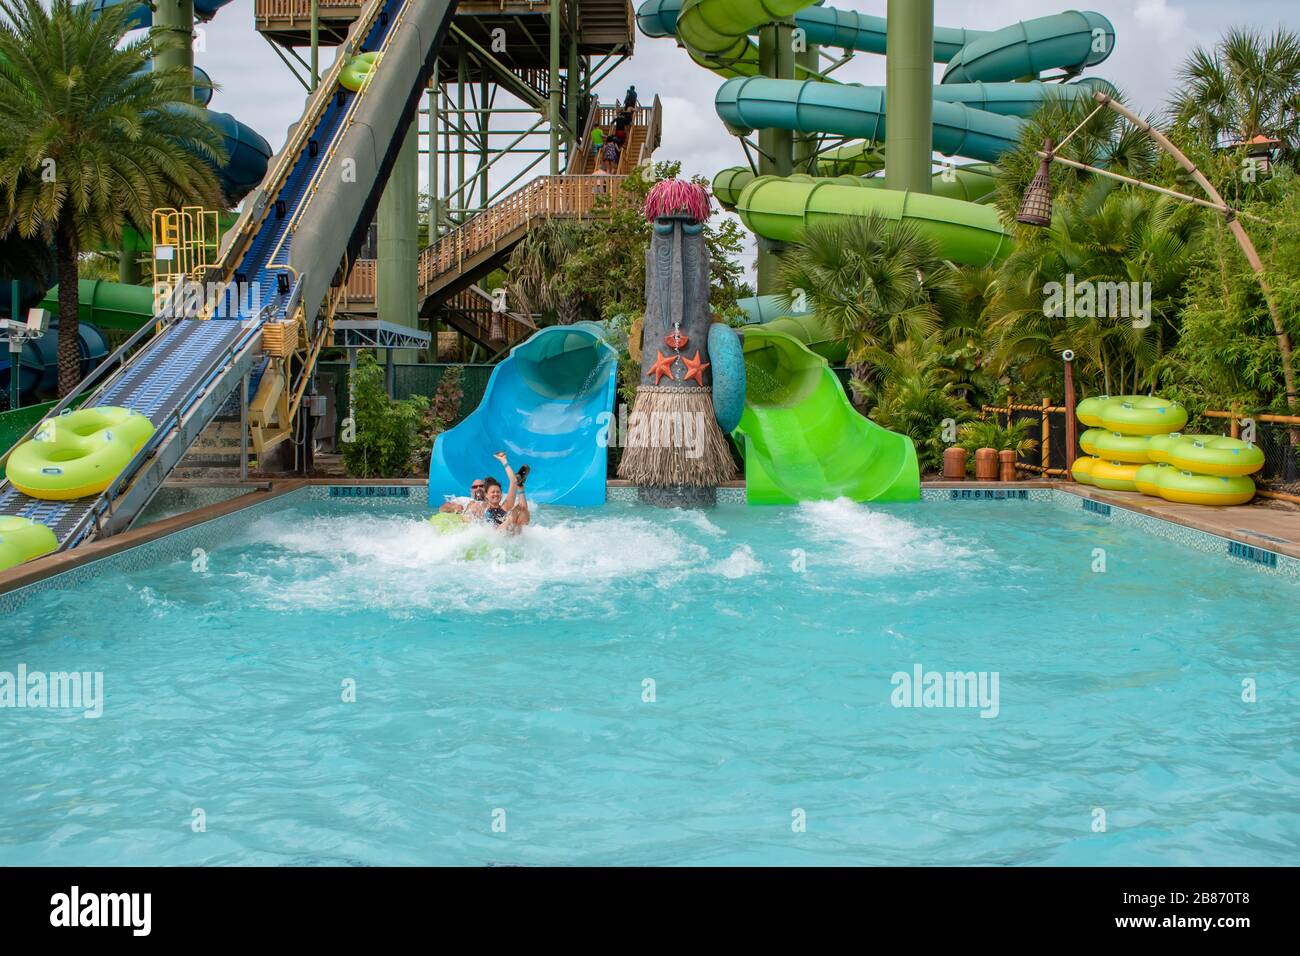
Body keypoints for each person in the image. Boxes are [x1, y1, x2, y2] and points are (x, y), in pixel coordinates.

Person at [467, 453, 530, 535]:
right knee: (512, 515)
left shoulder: (505, 506)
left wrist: (504, 461)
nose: (496, 494)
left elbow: (513, 481)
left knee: (522, 510)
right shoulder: (483, 507)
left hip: (509, 536)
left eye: (498, 492)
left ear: (501, 494)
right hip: (496, 536)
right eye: (493, 492)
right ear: (486, 495)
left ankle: (520, 486)